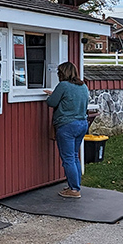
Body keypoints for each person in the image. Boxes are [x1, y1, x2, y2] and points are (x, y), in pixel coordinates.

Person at [44, 61, 89, 199]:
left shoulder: (63, 85)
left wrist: (50, 96)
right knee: (74, 156)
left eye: (59, 73)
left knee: (68, 158)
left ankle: (74, 190)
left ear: (62, 73)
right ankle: (74, 186)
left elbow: (51, 103)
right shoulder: (83, 86)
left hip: (67, 126)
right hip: (82, 124)